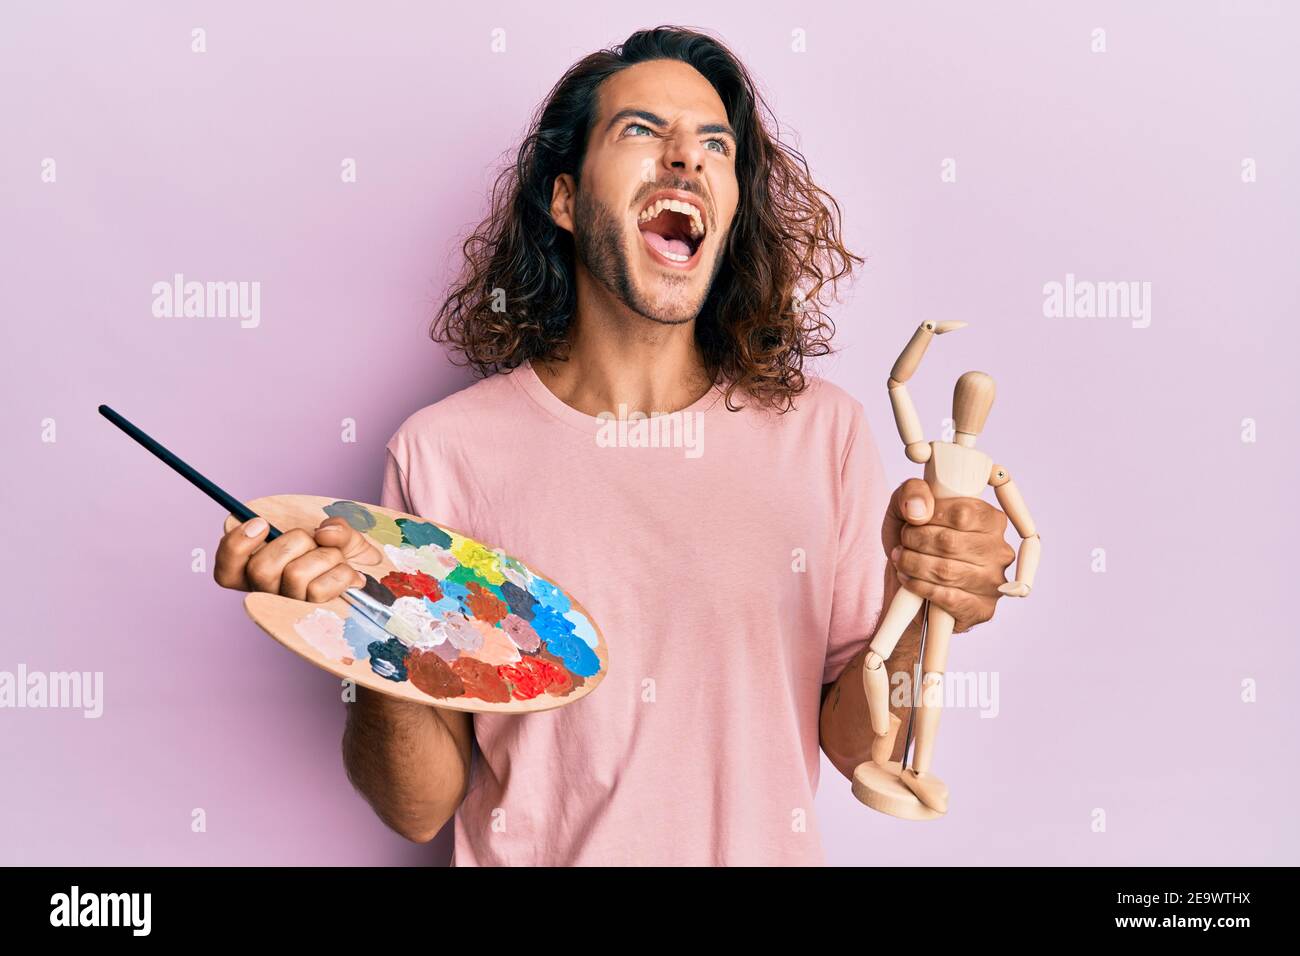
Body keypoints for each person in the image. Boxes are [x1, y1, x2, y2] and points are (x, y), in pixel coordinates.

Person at [214, 26, 1015, 865]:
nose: (686, 158)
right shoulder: (443, 453)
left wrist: (925, 604)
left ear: (734, 204)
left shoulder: (826, 434)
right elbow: (420, 810)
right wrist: (357, 632)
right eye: (641, 131)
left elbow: (860, 748)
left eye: (715, 143)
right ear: (563, 200)